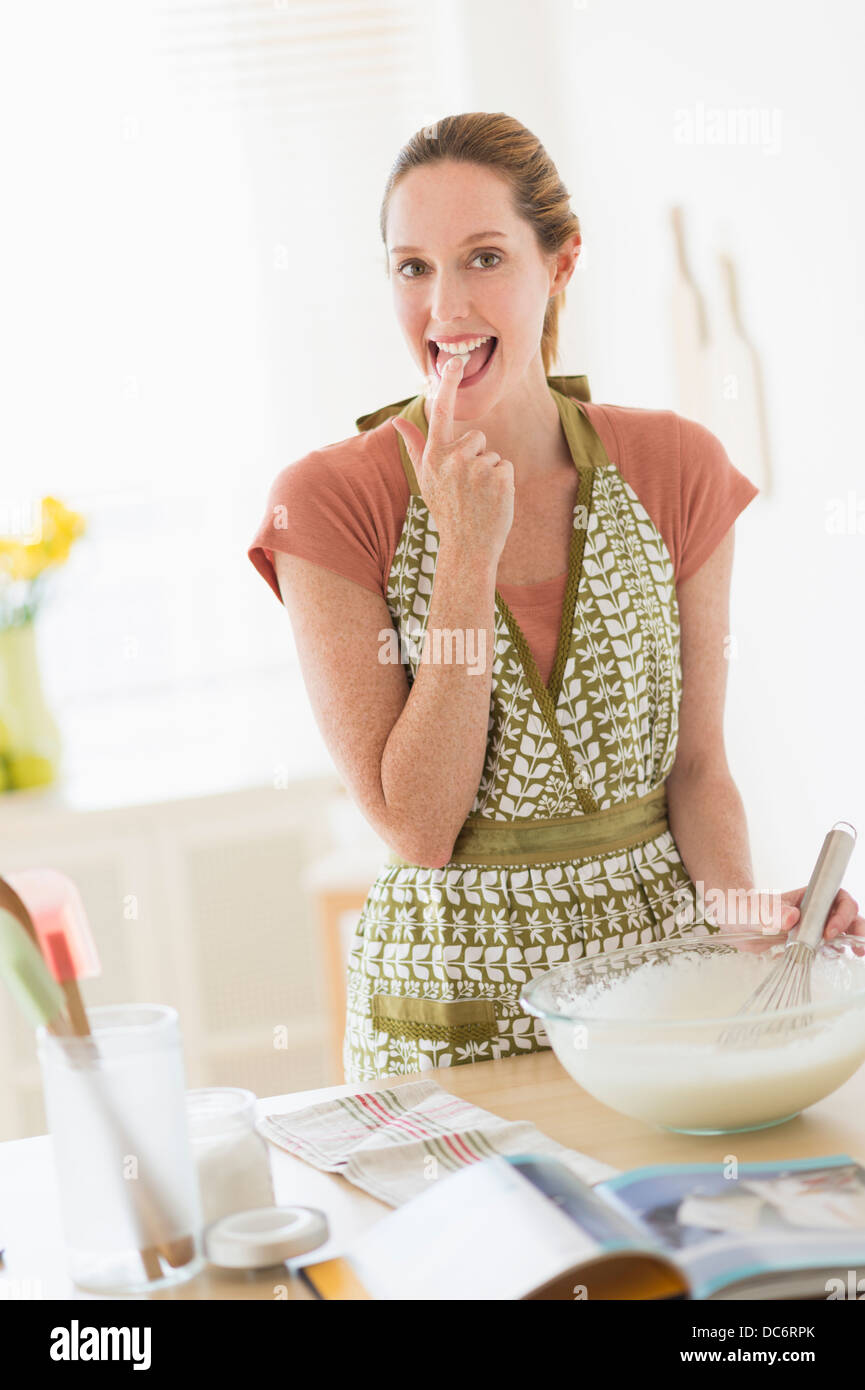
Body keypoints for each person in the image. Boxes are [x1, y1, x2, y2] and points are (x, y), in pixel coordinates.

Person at [248, 112, 863, 1082]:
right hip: (445, 1026)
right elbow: (417, 823)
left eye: (482, 257)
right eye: (411, 267)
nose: (443, 305)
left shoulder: (675, 468)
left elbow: (696, 773)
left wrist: (753, 918)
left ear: (559, 263)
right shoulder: (330, 501)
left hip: (659, 1007)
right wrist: (463, 559)